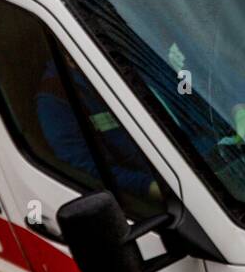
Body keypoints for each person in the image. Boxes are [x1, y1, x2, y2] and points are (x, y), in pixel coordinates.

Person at [35, 53, 161, 203]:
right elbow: (87, 168)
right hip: (137, 190)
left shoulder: (123, 66)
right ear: (69, 57)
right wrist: (148, 186)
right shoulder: (55, 100)